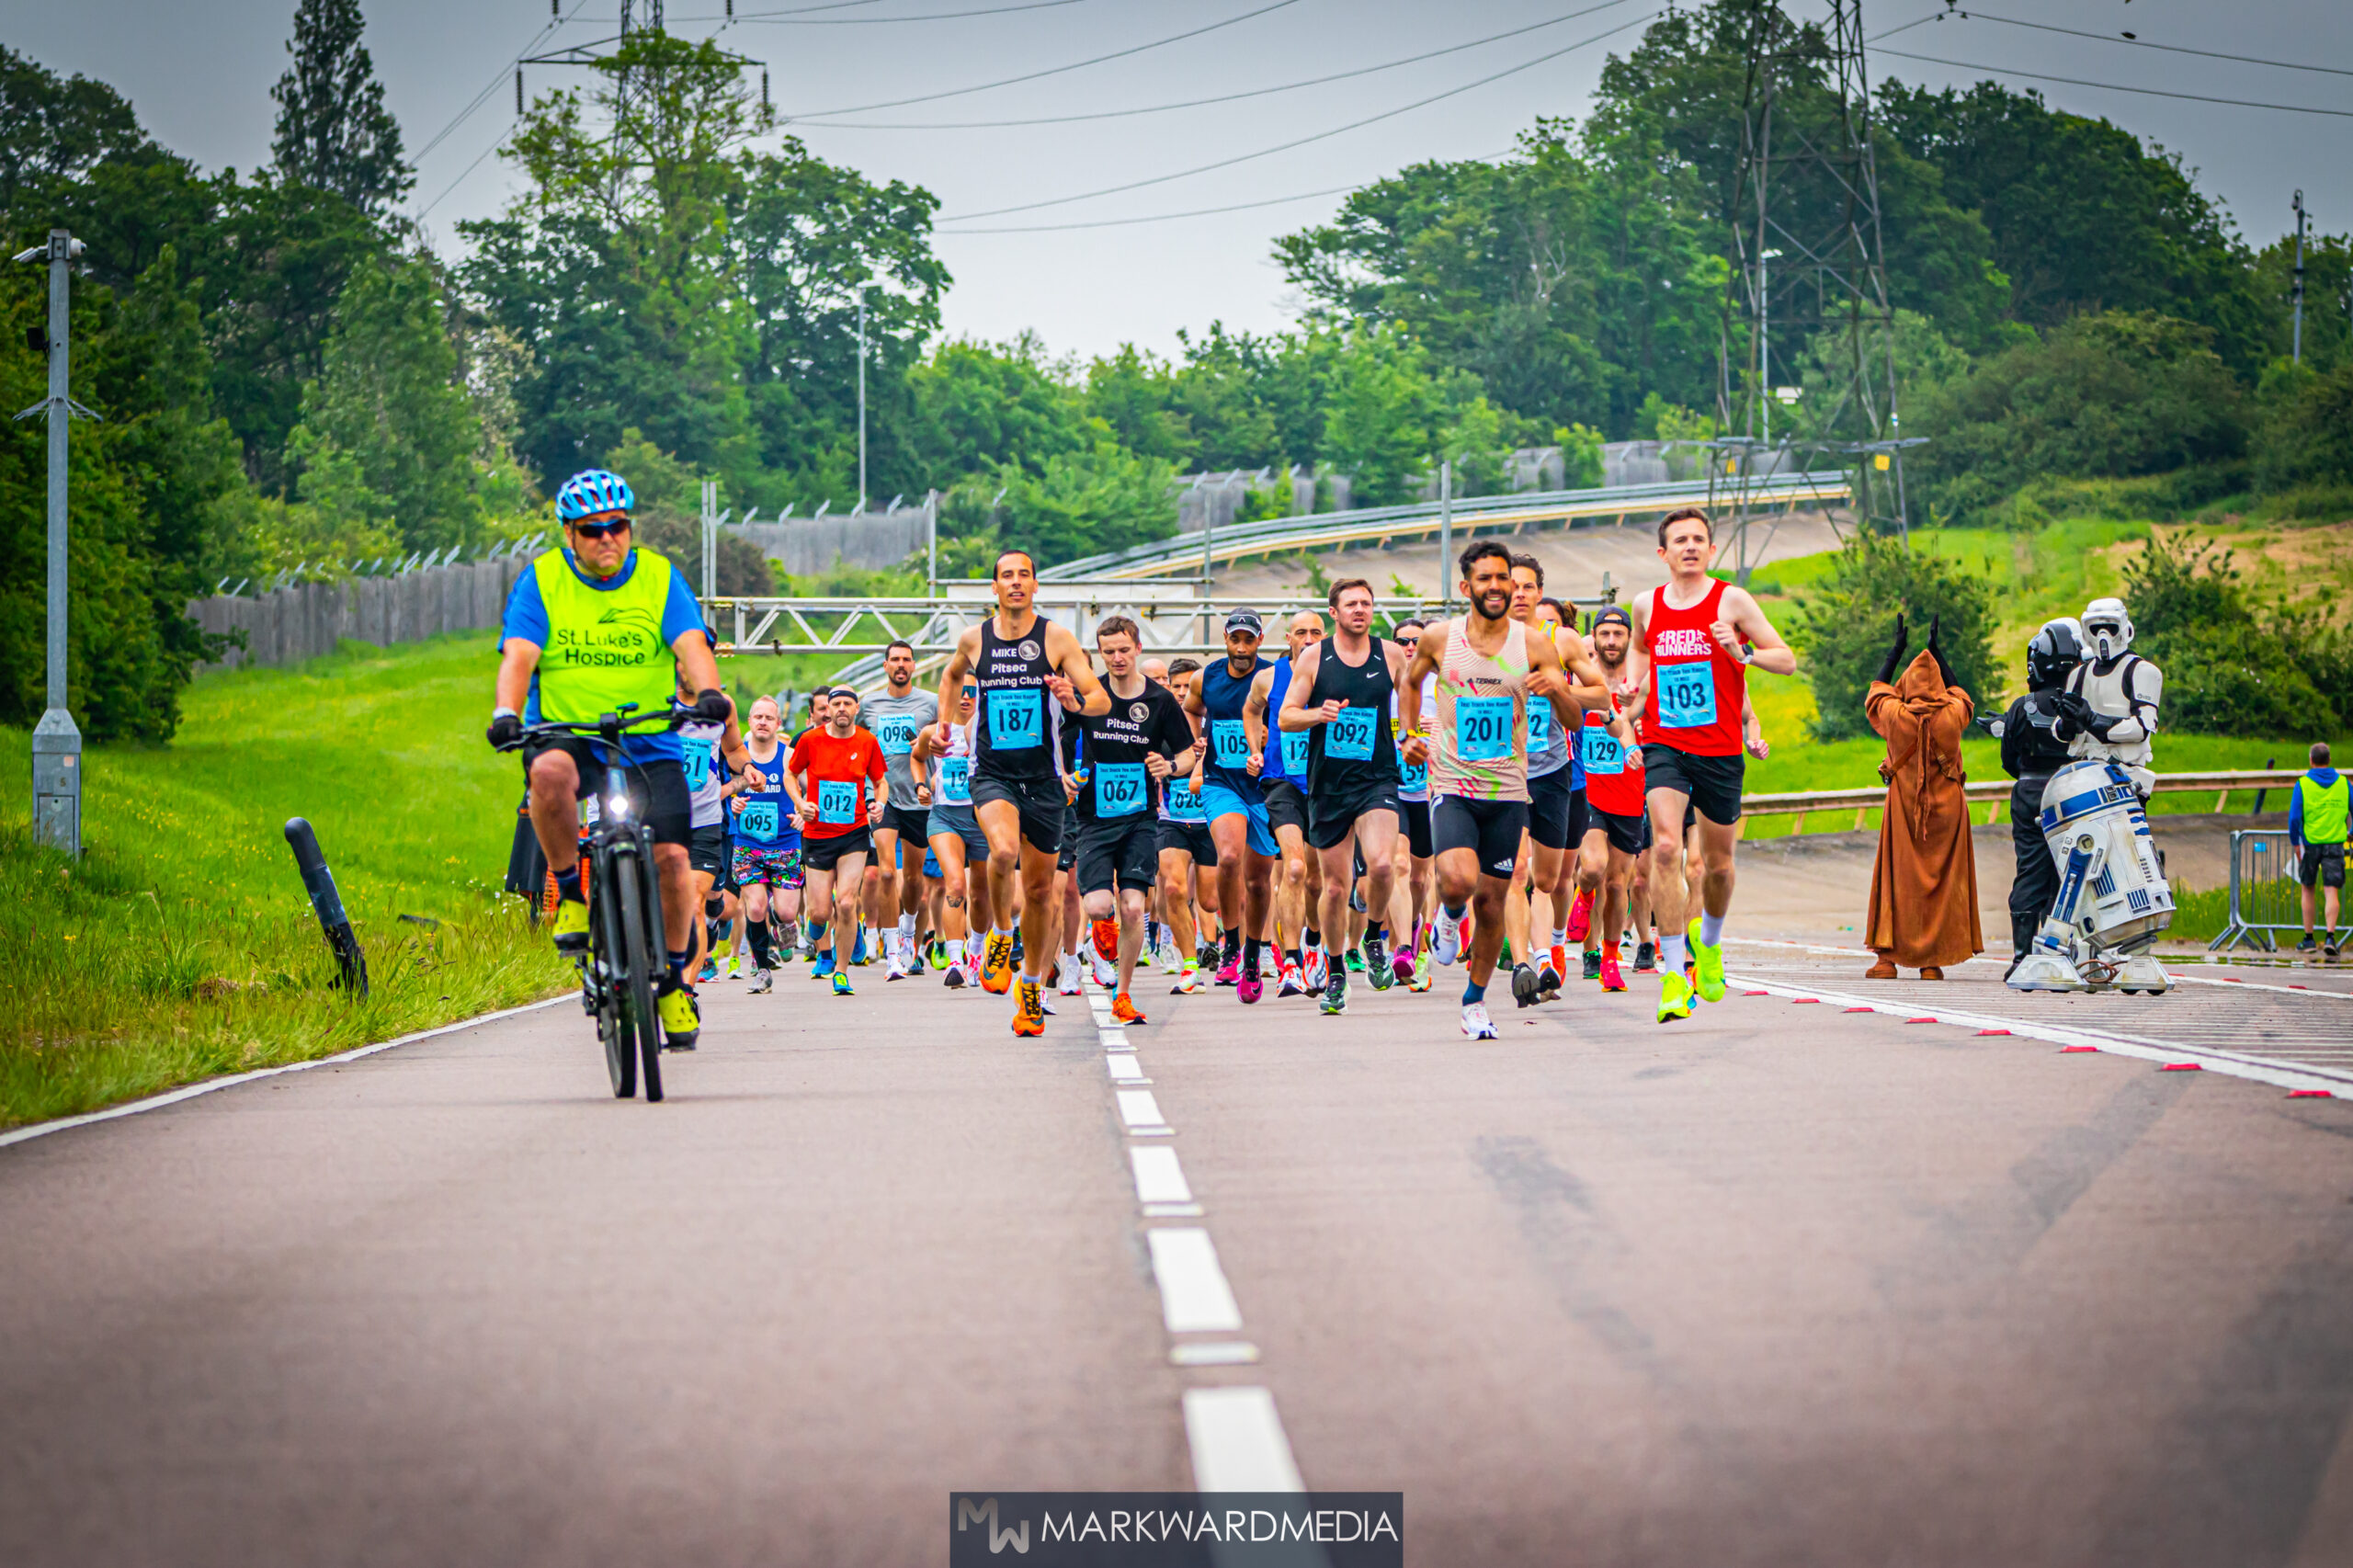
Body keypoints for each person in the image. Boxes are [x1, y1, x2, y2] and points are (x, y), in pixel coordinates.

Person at [489, 467, 726, 1052]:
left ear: (630, 527)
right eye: (593, 530)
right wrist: (505, 712)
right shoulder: (541, 581)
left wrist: (712, 693)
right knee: (545, 772)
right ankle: (571, 893)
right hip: (568, 732)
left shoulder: (658, 579)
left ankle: (671, 980)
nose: (607, 539)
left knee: (673, 859)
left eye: (618, 527)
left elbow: (692, 646)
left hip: (648, 736)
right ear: (570, 533)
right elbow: (519, 656)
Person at [1399, 541, 1585, 1040]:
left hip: (1508, 790)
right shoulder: (1441, 638)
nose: (1497, 587)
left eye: (1503, 578)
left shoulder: (1535, 644)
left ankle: (1474, 1002)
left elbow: (1573, 718)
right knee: (1458, 881)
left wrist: (1560, 692)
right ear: (1467, 588)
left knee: (1493, 904)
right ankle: (1446, 914)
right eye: (1486, 579)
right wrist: (1409, 735)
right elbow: (1410, 682)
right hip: (1453, 781)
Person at [1623, 506, 1796, 1024]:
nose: (1690, 547)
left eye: (1699, 539)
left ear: (1711, 550)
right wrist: (1633, 686)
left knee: (1717, 866)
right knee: (1667, 849)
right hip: (1665, 745)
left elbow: (1785, 658)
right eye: (1680, 540)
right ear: (1664, 553)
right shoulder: (1646, 604)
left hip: (1720, 749)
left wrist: (1742, 653)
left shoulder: (1732, 600)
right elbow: (1638, 649)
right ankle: (1675, 976)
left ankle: (1711, 943)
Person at [936, 550, 1109, 1036]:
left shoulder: (1055, 637)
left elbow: (1098, 698)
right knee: (1003, 849)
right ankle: (999, 932)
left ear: (1036, 586)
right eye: (1006, 576)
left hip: (1046, 781)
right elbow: (951, 677)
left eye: (1024, 576)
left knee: (1038, 892)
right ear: (994, 587)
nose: (1015, 583)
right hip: (991, 771)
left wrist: (1073, 699)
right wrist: (944, 726)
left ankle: (1030, 984)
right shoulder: (975, 639)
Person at [1281, 578, 1409, 1015]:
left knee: (1381, 864)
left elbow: (1411, 706)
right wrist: (1320, 713)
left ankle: (1373, 934)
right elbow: (1285, 717)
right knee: (1335, 888)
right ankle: (1336, 970)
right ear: (1333, 612)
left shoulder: (1390, 654)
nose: (1360, 609)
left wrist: (1413, 734)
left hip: (1377, 779)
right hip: (1329, 785)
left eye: (1366, 603)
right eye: (1351, 603)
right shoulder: (1315, 657)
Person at [1070, 616, 1199, 1022]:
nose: (1117, 658)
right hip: (1093, 816)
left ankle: (1122, 994)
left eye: (1124, 650)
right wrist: (1064, 777)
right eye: (1108, 652)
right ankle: (1098, 935)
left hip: (1141, 818)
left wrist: (1170, 767)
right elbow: (1059, 739)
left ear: (1138, 648)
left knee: (1131, 907)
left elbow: (1187, 752)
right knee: (1097, 905)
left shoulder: (1159, 701)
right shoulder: (1089, 694)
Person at [1863, 616, 1982, 980]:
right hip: (1949, 815)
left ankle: (1887, 959)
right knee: (1942, 886)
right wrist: (1939, 651)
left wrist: (1897, 648)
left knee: (1897, 881)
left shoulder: (1895, 715)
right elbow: (1962, 695)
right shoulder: (1952, 715)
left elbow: (1877, 692)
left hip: (1904, 811)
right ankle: (1931, 962)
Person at [1187, 608, 1280, 1003]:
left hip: (1263, 786)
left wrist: (1266, 739)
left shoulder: (1274, 677)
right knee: (1228, 856)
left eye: (1249, 640)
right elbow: (1192, 708)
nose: (1241, 647)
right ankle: (1230, 942)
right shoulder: (1204, 677)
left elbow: (1289, 719)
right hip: (1220, 781)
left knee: (1259, 881)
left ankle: (1254, 953)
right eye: (1235, 639)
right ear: (1225, 639)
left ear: (1259, 641)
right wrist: (1198, 747)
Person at [1989, 619, 2085, 979]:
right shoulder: (2079, 705)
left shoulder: (2020, 707)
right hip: (2074, 790)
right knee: (2073, 870)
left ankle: (2020, 956)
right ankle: (2067, 948)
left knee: (2030, 869)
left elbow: (2008, 761)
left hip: (2029, 791)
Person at [787, 687, 887, 996]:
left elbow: (880, 781)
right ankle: (814, 929)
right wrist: (800, 803)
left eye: (847, 703)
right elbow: (791, 774)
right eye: (836, 704)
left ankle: (841, 972)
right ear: (827, 709)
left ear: (856, 708)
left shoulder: (867, 742)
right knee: (819, 912)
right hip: (817, 835)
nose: (842, 708)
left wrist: (879, 804)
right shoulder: (810, 739)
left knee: (845, 902)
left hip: (854, 832)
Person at [1249, 609, 1328, 997]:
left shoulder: (1335, 672)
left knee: (1317, 879)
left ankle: (1315, 943)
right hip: (1281, 782)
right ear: (1289, 638)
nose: (1309, 638)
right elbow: (1250, 709)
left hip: (1326, 784)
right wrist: (1255, 748)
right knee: (1293, 868)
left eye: (1316, 632)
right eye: (1301, 632)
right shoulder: (1269, 677)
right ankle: (1291, 962)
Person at [1572, 607, 1645, 993]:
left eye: (1619, 634)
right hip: (1590, 792)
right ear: (1594, 639)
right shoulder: (1584, 679)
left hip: (1630, 794)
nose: (1612, 641)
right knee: (1594, 868)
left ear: (1629, 638)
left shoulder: (1641, 681)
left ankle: (1612, 956)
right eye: (1605, 634)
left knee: (1618, 885)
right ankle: (1582, 897)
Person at [864, 640, 940, 982]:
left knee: (913, 879)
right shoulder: (868, 705)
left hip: (919, 799)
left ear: (914, 666)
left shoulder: (931, 704)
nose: (900, 665)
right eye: (894, 659)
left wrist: (926, 749)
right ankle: (892, 952)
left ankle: (909, 929)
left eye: (906, 660)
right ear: (885, 665)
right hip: (884, 797)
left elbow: (950, 745)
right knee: (886, 873)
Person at [676, 654, 755, 987]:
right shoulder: (652, 699)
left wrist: (747, 769)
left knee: (694, 901)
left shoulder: (722, 705)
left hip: (705, 818)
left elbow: (734, 749)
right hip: (660, 816)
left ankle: (685, 989)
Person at [915, 678, 994, 988]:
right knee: (956, 885)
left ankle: (976, 952)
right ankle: (955, 961)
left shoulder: (989, 732)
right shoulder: (933, 732)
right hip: (945, 817)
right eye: (958, 690)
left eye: (972, 691)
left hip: (983, 819)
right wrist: (921, 784)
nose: (965, 696)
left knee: (981, 893)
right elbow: (916, 757)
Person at [730, 695, 804, 993]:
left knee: (787, 912)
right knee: (756, 907)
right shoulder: (738, 756)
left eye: (768, 718)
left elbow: (811, 790)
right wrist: (733, 804)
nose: (762, 722)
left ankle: (783, 922)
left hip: (785, 843)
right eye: (757, 716)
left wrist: (802, 812)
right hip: (748, 844)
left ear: (778, 724)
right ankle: (762, 968)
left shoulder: (789, 756)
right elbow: (724, 789)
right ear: (749, 722)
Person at [1157, 658, 1222, 994]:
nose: (1182, 692)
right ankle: (1189, 964)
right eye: (1177, 685)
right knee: (1173, 888)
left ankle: (1219, 941)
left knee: (1209, 901)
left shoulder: (1215, 721)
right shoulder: (1161, 719)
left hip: (1209, 820)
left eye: (1188, 686)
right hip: (1172, 820)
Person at [2291, 742, 2346, 957]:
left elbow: (2295, 817)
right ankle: (2331, 937)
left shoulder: (2303, 784)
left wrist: (2296, 842)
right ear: (2330, 760)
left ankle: (2309, 938)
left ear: (2311, 760)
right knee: (2331, 890)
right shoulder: (2343, 783)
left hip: (2310, 843)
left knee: (2308, 888)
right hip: (2335, 842)